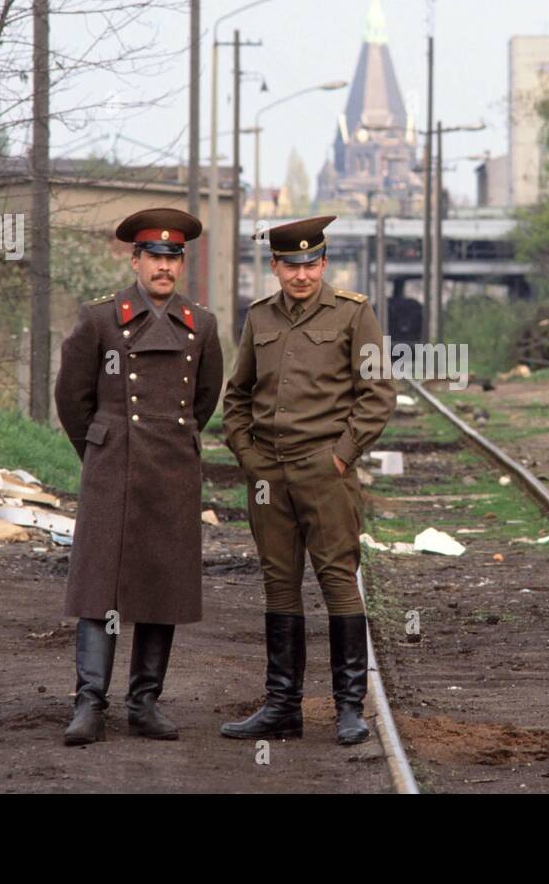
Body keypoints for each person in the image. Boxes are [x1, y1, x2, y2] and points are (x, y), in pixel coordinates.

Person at [220, 215, 396, 745]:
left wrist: (341, 458)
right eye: (291, 265)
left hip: (325, 471)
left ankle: (349, 708)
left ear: (324, 263)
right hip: (269, 474)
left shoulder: (353, 313)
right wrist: (249, 457)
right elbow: (237, 396)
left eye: (311, 264)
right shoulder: (259, 317)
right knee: (279, 584)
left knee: (338, 581)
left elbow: (377, 394)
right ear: (275, 267)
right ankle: (281, 706)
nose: (302, 275)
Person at [54, 207, 223, 745]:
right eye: (154, 256)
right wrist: (101, 447)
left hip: (171, 470)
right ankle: (89, 704)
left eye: (173, 258)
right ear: (135, 260)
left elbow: (203, 398)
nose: (164, 267)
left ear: (180, 264)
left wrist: (174, 440)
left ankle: (145, 704)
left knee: (162, 585)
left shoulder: (201, 325)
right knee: (98, 586)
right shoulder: (101, 317)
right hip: (112, 469)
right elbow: (71, 397)